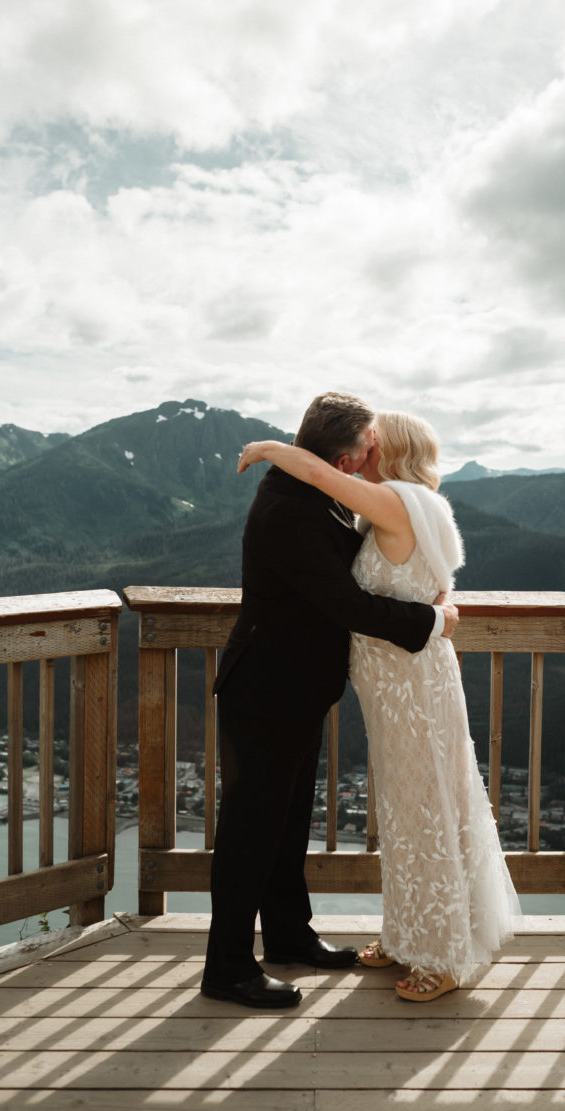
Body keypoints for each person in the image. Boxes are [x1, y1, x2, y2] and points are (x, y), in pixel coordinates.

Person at [237, 410, 520, 1002]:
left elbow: (321, 475)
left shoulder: (393, 499)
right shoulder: (422, 505)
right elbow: (434, 583)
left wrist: (269, 447)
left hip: (409, 688)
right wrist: (440, 614)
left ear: (386, 451)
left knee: (425, 812)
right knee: (403, 809)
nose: (363, 453)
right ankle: (408, 932)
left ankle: (442, 956)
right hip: (404, 684)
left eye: (371, 443)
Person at [201, 393, 460, 1009]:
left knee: (287, 824)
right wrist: (432, 620)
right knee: (250, 831)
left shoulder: (318, 492)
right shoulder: (289, 508)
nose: (376, 456)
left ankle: (289, 937)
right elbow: (347, 606)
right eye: (369, 448)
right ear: (345, 459)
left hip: (297, 689)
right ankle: (228, 967)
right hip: (264, 691)